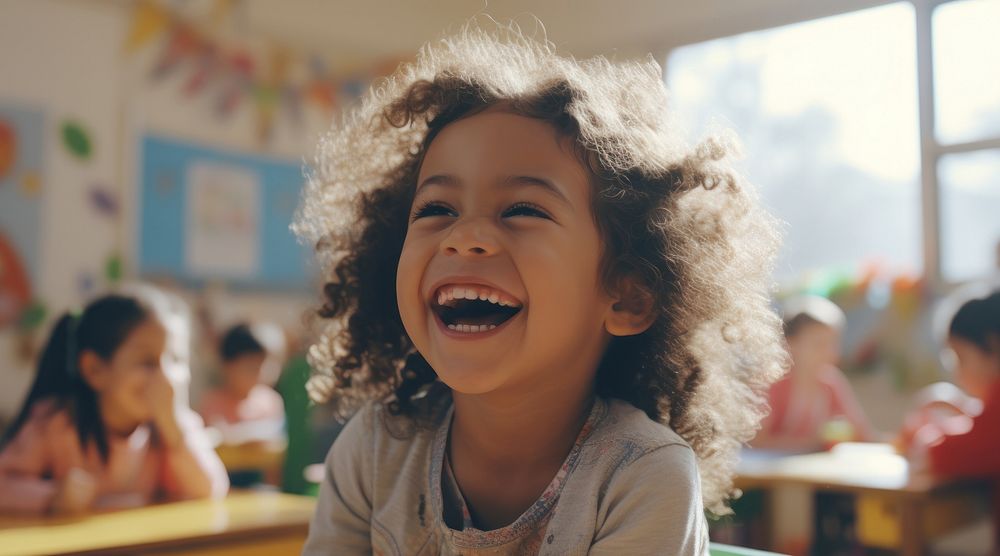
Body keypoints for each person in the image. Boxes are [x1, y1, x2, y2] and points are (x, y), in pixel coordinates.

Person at [294, 24, 786, 554]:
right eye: (436, 209)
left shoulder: (643, 476)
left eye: (522, 210)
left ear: (627, 296)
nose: (465, 237)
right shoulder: (375, 449)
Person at [0, 287, 228, 514]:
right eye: (147, 362)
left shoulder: (174, 427)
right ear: (94, 369)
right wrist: (52, 495)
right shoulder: (55, 422)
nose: (166, 378)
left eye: (177, 359)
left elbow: (209, 489)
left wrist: (175, 430)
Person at [754, 295, 873, 451]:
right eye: (819, 344)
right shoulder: (772, 382)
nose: (830, 352)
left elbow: (862, 435)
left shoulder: (830, 383)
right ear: (790, 343)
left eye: (833, 344)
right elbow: (756, 442)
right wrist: (816, 444)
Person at [198, 322, 286, 444]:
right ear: (227, 366)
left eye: (260, 367)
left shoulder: (270, 402)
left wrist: (234, 435)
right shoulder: (213, 403)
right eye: (250, 368)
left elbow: (275, 434)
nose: (258, 374)